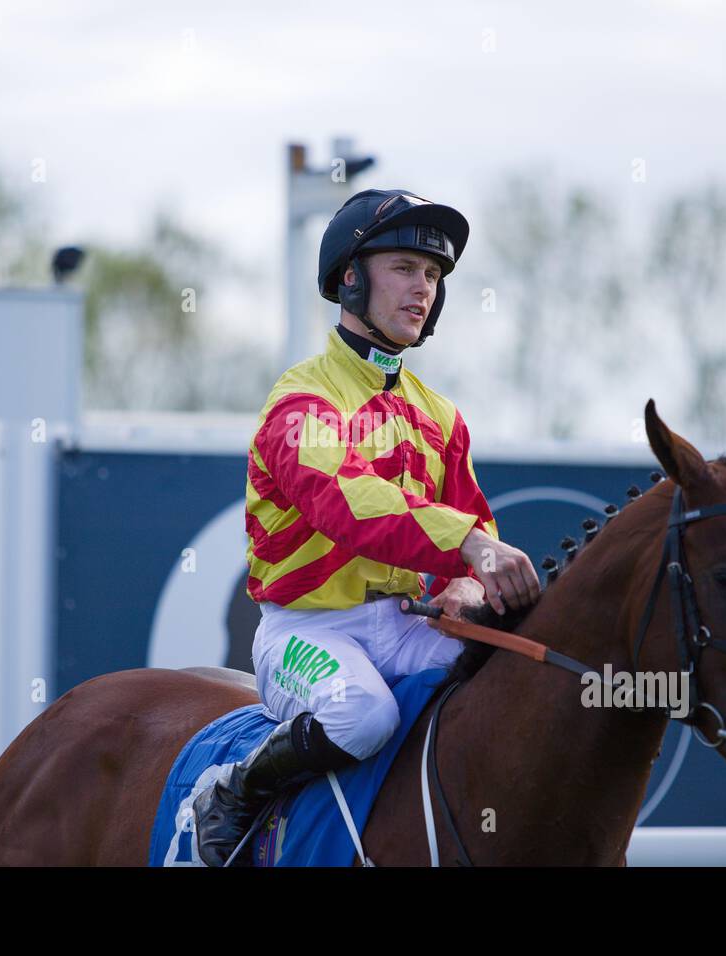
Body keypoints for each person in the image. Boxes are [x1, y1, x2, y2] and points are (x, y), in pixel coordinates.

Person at [191, 188, 541, 866]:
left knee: (509, 689)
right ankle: (231, 789)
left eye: (434, 276)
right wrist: (470, 545)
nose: (423, 290)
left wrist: (469, 584)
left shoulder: (441, 416)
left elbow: (474, 532)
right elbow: (347, 501)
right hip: (307, 630)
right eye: (405, 268)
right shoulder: (301, 401)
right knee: (364, 714)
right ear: (351, 277)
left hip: (408, 626)